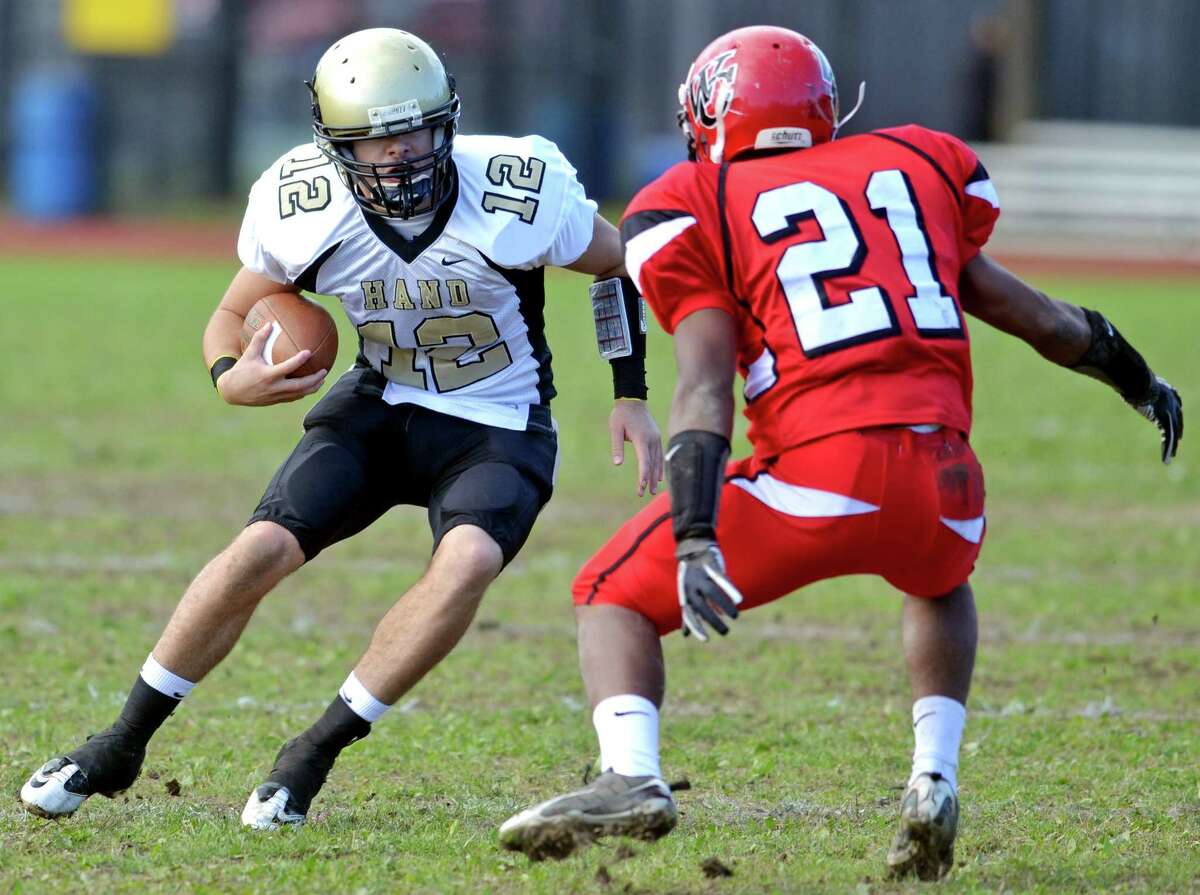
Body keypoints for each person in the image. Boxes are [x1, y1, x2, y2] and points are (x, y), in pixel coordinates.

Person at [498, 25, 1182, 880]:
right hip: (948, 479)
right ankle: (933, 777)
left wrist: (696, 530)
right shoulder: (916, 169)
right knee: (938, 577)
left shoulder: (696, 200)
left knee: (607, 591)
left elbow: (705, 386)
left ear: (710, 118)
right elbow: (1038, 316)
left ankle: (631, 772)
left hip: (821, 474)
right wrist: (1138, 378)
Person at [20, 27, 663, 830]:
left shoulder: (515, 189)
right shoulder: (307, 205)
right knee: (259, 547)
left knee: (466, 562)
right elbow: (230, 310)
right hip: (381, 404)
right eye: (375, 139)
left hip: (497, 421)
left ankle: (310, 755)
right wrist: (232, 375)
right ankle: (118, 743)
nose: (399, 154)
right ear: (333, 144)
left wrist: (629, 391)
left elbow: (613, 263)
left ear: (447, 121)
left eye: (414, 130)